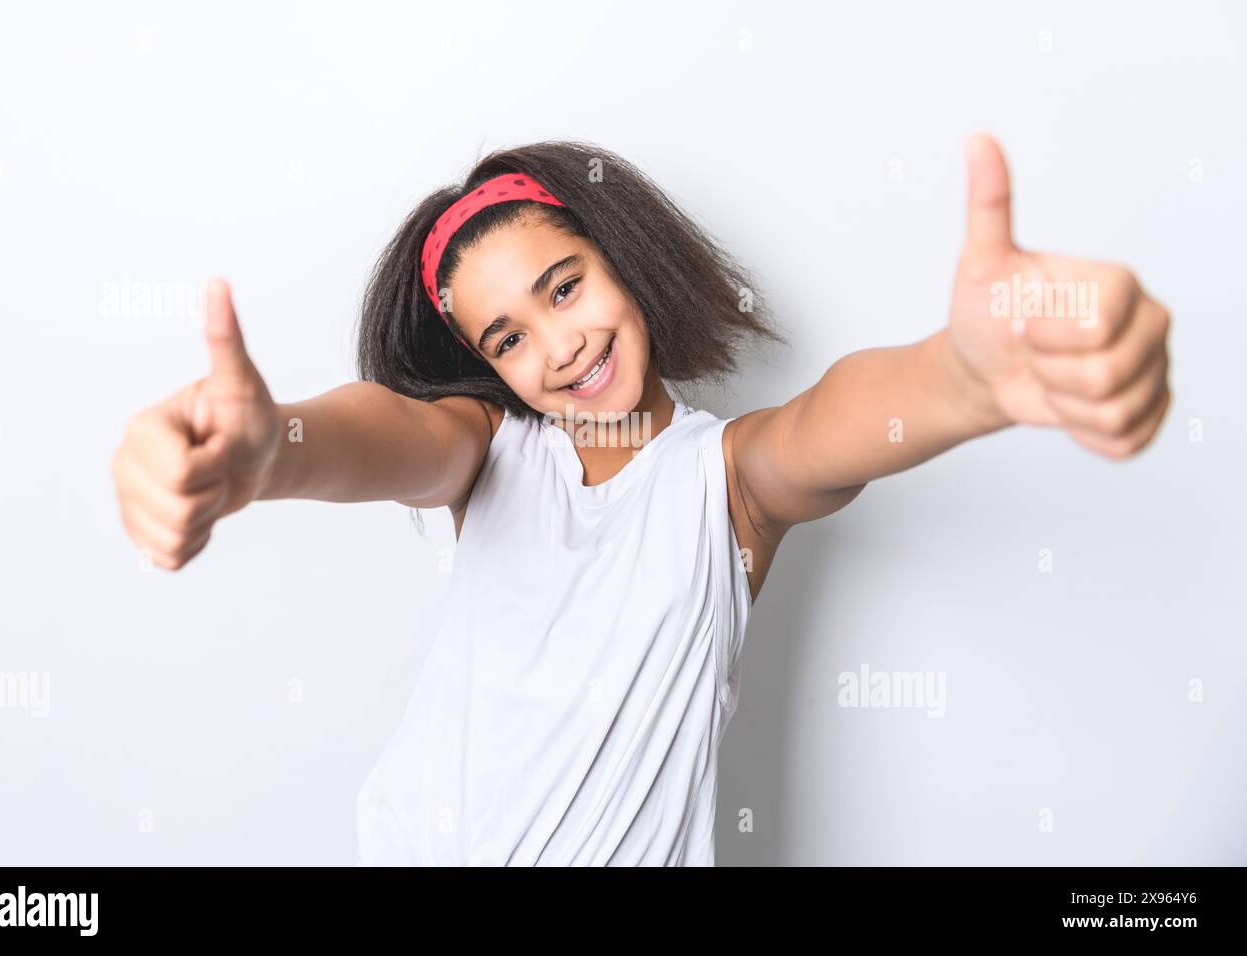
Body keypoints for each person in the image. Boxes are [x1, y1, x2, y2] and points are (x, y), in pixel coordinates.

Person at [109, 135, 1173, 865]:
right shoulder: (484, 453)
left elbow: (837, 418)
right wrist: (269, 450)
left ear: (623, 260)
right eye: (506, 339)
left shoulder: (724, 481)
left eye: (563, 286)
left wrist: (963, 378)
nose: (557, 344)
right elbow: (374, 433)